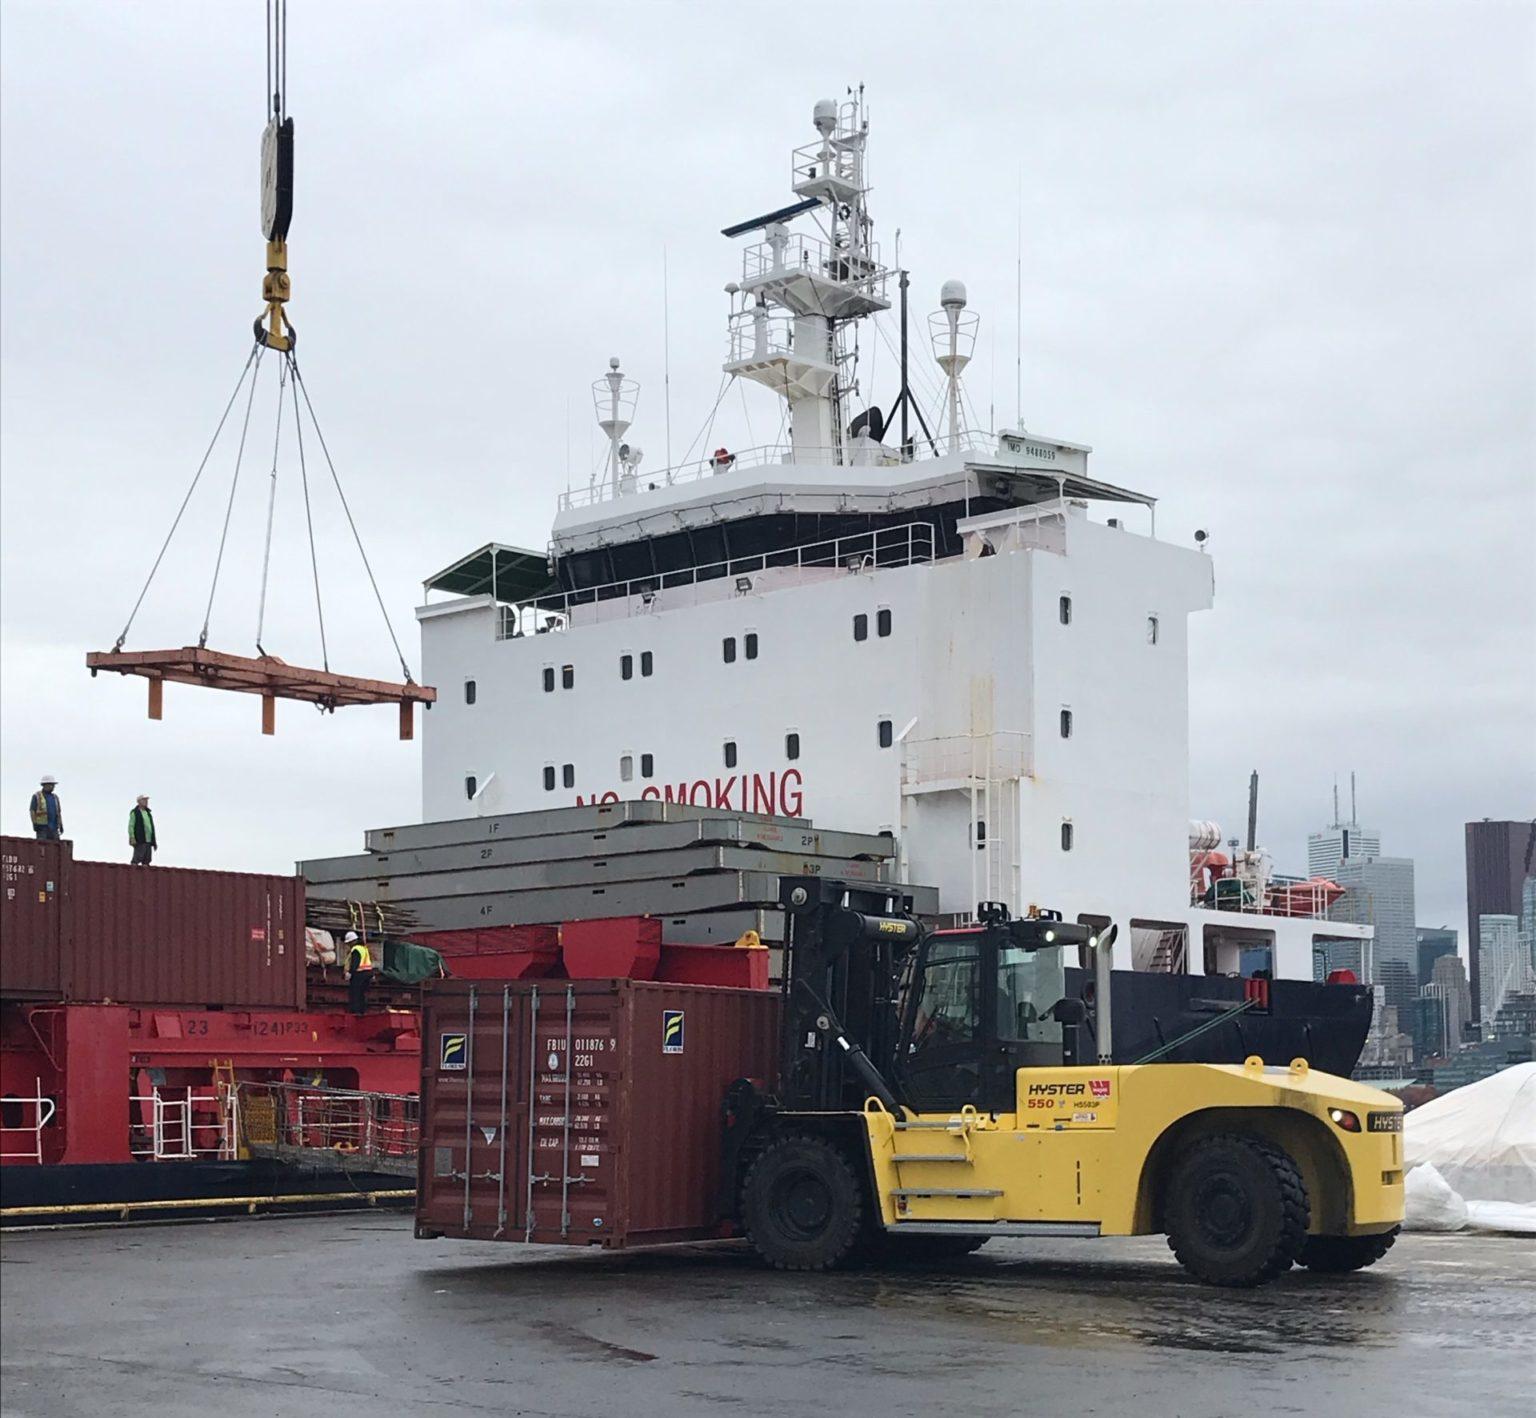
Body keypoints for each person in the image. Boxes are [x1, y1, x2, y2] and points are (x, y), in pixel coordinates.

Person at [345, 931, 374, 1016]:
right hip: (368, 973)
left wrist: (350, 973)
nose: (348, 945)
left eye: (349, 943)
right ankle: (361, 1011)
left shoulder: (356, 950)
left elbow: (355, 963)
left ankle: (355, 1011)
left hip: (359, 974)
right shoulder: (364, 948)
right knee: (361, 994)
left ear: (352, 941)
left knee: (355, 993)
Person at [29, 775, 63, 841]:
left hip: (54, 828)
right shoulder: (37, 796)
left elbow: (58, 813)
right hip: (42, 828)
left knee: (55, 847)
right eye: (51, 785)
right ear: (45, 785)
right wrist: (35, 823)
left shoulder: (55, 797)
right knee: (42, 847)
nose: (53, 787)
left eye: (53, 785)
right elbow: (32, 811)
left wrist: (61, 825)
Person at [128, 795, 157, 866]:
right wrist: (132, 837)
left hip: (149, 840)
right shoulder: (135, 812)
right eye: (144, 800)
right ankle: (132, 873)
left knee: (147, 860)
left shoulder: (148, 813)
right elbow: (131, 826)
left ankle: (145, 875)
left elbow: (151, 827)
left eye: (146, 800)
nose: (146, 802)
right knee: (137, 858)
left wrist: (154, 841)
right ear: (138, 802)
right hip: (140, 839)